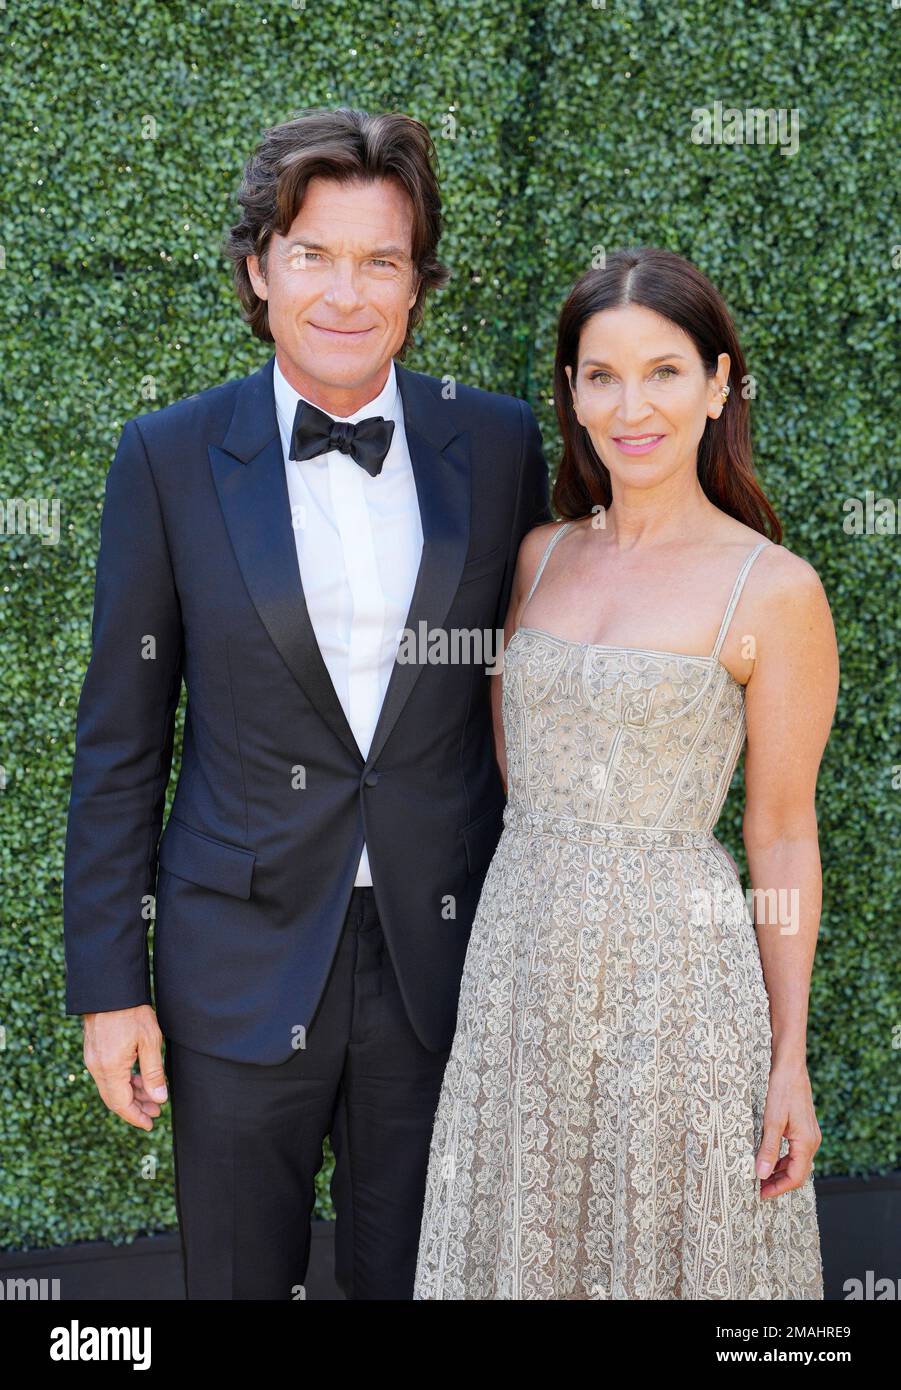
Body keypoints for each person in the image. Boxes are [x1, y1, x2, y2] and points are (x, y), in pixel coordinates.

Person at [62, 106, 551, 1300]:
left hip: (440, 960)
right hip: (236, 958)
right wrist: (109, 986)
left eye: (380, 259)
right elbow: (121, 741)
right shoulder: (169, 456)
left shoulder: (493, 445)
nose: (346, 292)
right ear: (258, 271)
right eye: (312, 255)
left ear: (418, 285)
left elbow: (525, 694)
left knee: (424, 1281)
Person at [414, 246, 837, 1299]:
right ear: (571, 392)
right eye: (601, 374)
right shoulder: (541, 556)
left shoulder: (773, 588)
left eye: (663, 371)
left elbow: (781, 832)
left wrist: (788, 1057)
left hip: (679, 985)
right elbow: (518, 768)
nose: (630, 404)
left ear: (717, 384)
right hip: (518, 965)